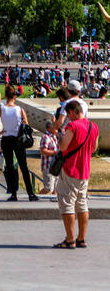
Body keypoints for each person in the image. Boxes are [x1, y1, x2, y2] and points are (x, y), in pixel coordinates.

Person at [53, 99, 98, 249]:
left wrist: (59, 137)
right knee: (82, 204)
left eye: (68, 114)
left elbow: (63, 146)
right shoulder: (94, 126)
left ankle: (70, 239)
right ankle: (81, 239)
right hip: (84, 170)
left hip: (70, 169)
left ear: (72, 112)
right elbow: (94, 148)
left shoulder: (72, 126)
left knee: (67, 204)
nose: (67, 117)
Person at [0, 86, 37, 202]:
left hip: (6, 139)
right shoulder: (20, 109)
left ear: (5, 96)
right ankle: (30, 194)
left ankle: (13, 194)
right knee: (23, 166)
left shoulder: (0, 108)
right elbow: (27, 126)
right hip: (18, 140)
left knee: (10, 166)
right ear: (15, 96)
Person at [39, 123, 59, 195]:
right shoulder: (45, 137)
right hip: (48, 166)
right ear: (49, 128)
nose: (57, 129)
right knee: (48, 188)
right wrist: (55, 152)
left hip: (56, 166)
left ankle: (55, 204)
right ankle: (37, 197)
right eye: (55, 127)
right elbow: (43, 151)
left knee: (57, 188)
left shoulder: (55, 137)